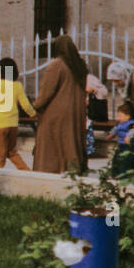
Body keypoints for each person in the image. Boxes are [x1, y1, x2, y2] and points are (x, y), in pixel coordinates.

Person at [32, 34, 89, 174]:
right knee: (71, 139)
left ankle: (52, 169)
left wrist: (36, 106)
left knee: (52, 142)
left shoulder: (57, 64)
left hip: (56, 111)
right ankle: (73, 168)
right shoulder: (79, 65)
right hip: (76, 110)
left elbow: (47, 91)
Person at [0, 57, 37, 170]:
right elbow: (26, 105)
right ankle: (26, 171)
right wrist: (33, 114)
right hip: (12, 124)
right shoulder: (17, 85)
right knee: (11, 152)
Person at [109, 101, 134, 178]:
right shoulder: (120, 123)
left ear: (128, 116)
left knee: (125, 161)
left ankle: (124, 176)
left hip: (128, 146)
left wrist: (128, 137)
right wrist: (111, 135)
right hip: (121, 145)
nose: (119, 118)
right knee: (116, 159)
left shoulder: (131, 124)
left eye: (120, 116)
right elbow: (115, 129)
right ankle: (115, 174)